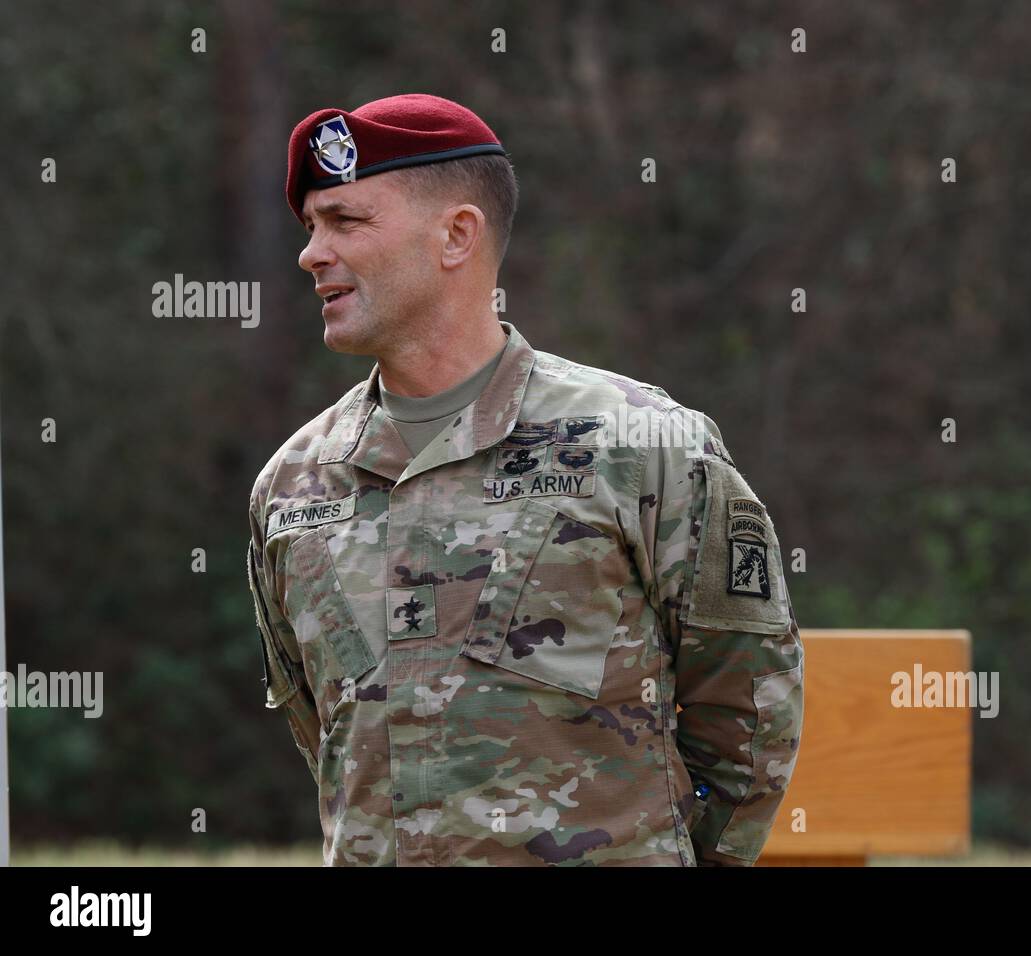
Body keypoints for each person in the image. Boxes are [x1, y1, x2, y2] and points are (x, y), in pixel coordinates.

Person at [245, 93, 804, 866]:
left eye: (346, 221)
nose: (312, 253)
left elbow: (750, 714)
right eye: (311, 226)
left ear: (457, 235)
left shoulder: (643, 445)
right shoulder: (293, 488)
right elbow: (334, 743)